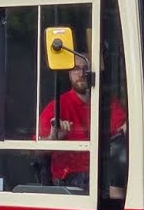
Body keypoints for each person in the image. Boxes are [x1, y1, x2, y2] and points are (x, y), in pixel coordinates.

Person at [37, 53, 127, 190]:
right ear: (69, 74)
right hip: (69, 180)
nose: (81, 73)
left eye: (86, 68)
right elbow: (36, 150)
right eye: (75, 69)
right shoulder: (57, 106)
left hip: (104, 172)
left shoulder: (110, 104)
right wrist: (52, 138)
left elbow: (125, 132)